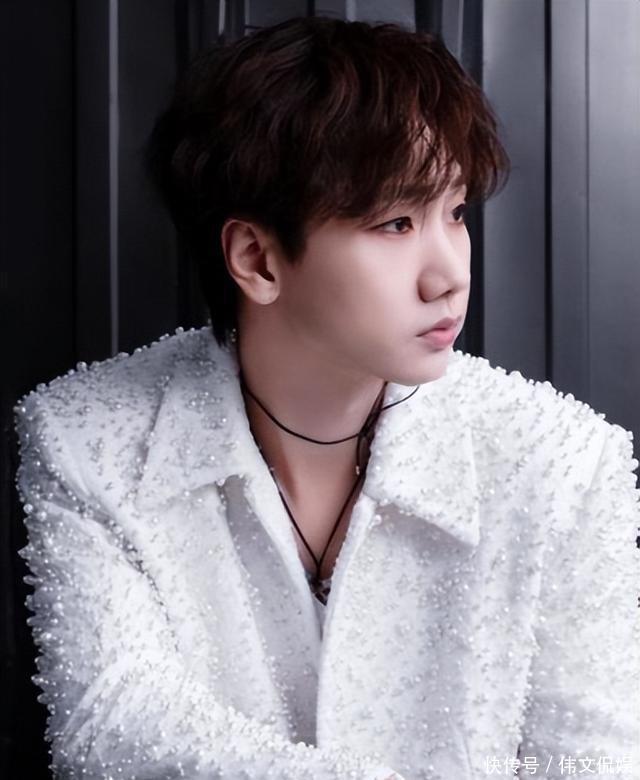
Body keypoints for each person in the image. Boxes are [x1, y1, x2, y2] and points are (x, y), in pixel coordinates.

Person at [13, 16, 638, 780]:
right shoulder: (87, 442)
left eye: (455, 213)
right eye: (396, 223)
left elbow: (596, 759)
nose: (449, 275)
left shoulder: (564, 461)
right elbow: (114, 728)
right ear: (257, 259)